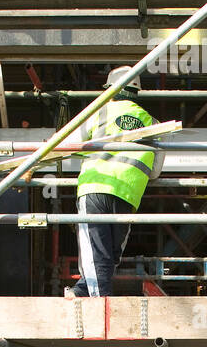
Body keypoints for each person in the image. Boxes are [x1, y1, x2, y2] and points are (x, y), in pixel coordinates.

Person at [69, 66, 163, 297]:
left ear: (110, 90)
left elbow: (68, 144)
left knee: (96, 253)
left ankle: (98, 305)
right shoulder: (153, 122)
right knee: (109, 254)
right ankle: (83, 290)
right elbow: (155, 173)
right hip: (128, 195)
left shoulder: (99, 112)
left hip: (95, 187)